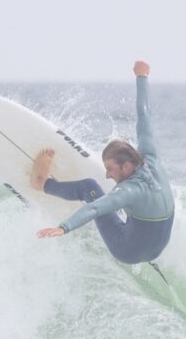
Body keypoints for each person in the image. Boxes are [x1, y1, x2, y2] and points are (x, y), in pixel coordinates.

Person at [32, 61, 175, 265]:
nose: (108, 175)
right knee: (126, 207)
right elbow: (144, 115)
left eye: (110, 169)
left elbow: (94, 209)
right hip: (157, 250)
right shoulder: (151, 156)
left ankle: (42, 183)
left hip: (126, 251)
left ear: (126, 166)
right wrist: (142, 76)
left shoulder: (130, 191)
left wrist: (63, 227)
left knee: (89, 187)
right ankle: (138, 238)